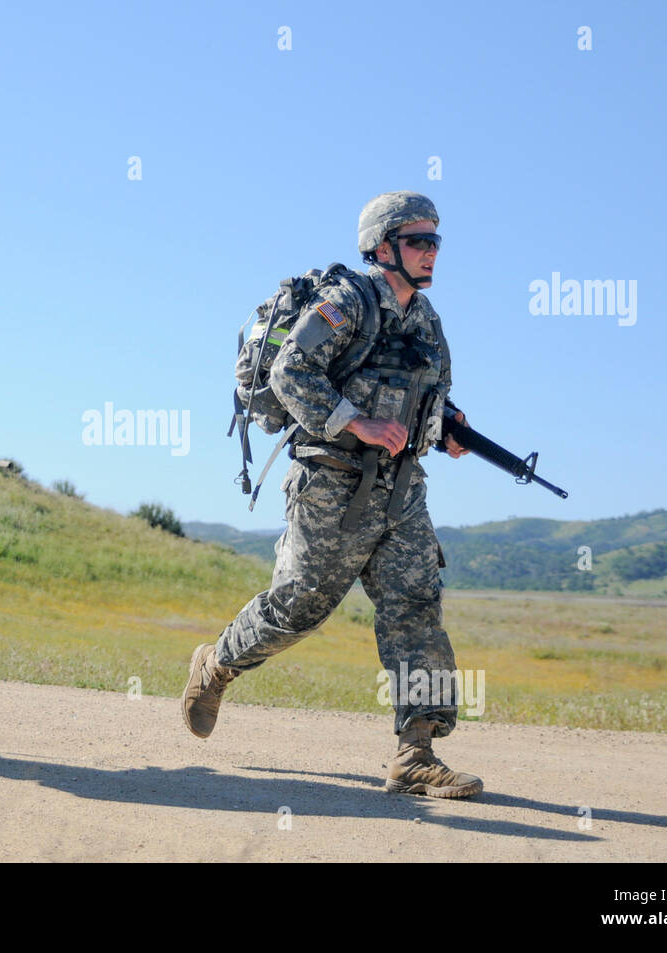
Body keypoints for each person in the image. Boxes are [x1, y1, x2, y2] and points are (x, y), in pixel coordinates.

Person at [182, 191, 483, 798]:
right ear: (382, 246)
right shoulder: (347, 301)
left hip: (400, 490)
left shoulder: (426, 321)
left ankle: (416, 751)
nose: (431, 253)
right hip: (330, 483)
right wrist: (356, 421)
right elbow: (289, 370)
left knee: (416, 606)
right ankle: (216, 664)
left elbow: (428, 395)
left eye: (435, 241)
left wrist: (445, 427)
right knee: (298, 607)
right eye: (419, 241)